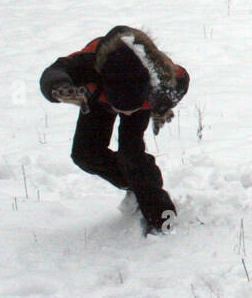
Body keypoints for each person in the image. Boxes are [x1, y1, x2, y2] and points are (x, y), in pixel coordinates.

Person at [40, 25, 189, 235]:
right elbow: (55, 71)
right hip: (97, 96)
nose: (126, 114)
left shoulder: (160, 75)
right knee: (85, 153)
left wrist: (162, 106)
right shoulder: (88, 64)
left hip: (141, 99)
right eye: (123, 110)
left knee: (132, 155)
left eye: (131, 109)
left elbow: (181, 81)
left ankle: (162, 218)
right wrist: (59, 86)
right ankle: (139, 186)